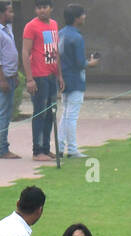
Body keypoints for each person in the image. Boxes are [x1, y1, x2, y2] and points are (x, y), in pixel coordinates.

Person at [22, 1, 63, 161]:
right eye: (39, 8)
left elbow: (56, 51)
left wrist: (60, 75)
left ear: (51, 8)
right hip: (39, 76)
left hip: (52, 75)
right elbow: (25, 52)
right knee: (40, 113)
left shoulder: (54, 24)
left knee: (50, 113)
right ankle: (37, 150)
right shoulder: (31, 26)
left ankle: (46, 148)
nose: (42, 11)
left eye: (45, 7)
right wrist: (29, 78)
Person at [57, 4, 99, 159]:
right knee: (71, 116)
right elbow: (81, 63)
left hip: (64, 77)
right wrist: (92, 63)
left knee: (65, 114)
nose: (84, 17)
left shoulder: (61, 34)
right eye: (82, 14)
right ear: (76, 18)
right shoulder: (77, 37)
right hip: (75, 79)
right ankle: (72, 149)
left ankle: (60, 146)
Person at [0, 1, 21, 159]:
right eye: (10, 11)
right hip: (4, 78)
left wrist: (15, 74)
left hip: (10, 76)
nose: (12, 14)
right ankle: (2, 148)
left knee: (2, 113)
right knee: (3, 114)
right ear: (2, 13)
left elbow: (10, 54)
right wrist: (3, 80)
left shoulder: (7, 29)